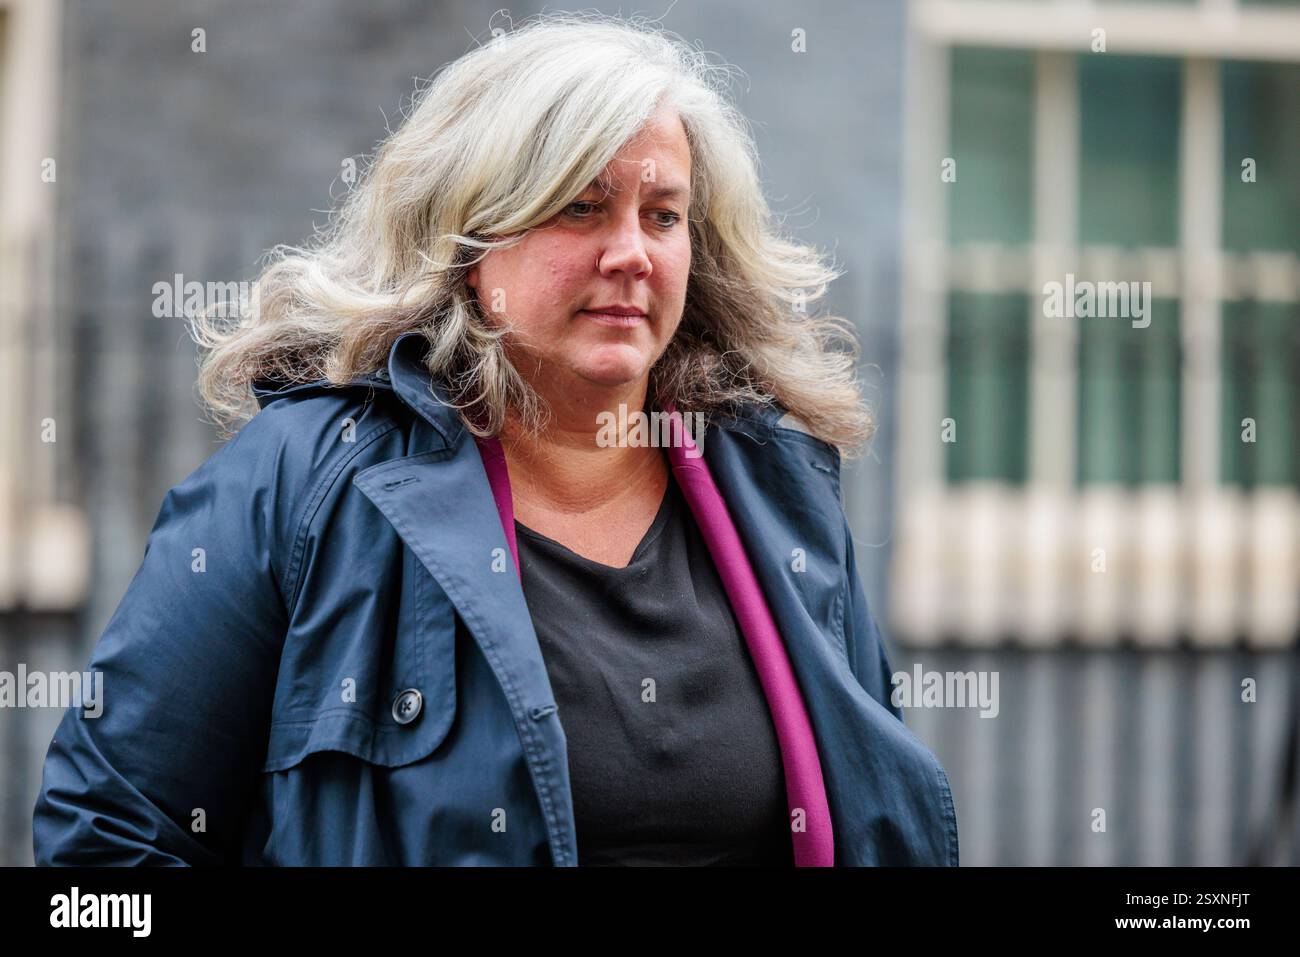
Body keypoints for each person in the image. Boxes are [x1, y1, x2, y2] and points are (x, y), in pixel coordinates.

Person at [33, 13, 957, 866]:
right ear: (469, 244)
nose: (632, 250)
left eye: (662, 214)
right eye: (581, 207)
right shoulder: (304, 483)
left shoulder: (780, 494)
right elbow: (106, 837)